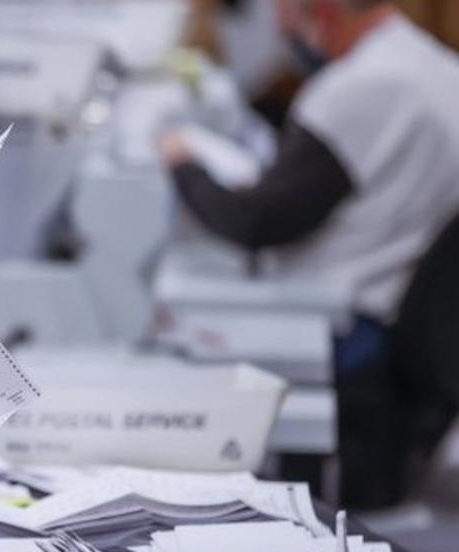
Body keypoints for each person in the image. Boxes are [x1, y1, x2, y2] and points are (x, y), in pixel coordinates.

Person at [159, 0, 459, 372]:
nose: (288, 37)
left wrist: (182, 163)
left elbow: (256, 222)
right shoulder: (429, 62)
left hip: (357, 334)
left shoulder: (361, 86)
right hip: (407, 323)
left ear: (323, 14)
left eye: (290, 22)